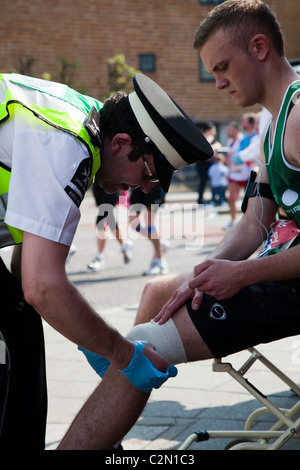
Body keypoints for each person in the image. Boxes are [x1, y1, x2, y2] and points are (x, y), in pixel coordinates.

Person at [58, 0, 300, 450]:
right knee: (159, 291)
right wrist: (207, 273)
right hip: (278, 268)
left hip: (291, 282)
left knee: (145, 344)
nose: (217, 82)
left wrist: (243, 273)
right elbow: (254, 221)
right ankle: (110, 428)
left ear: (260, 47)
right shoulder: (273, 125)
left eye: (223, 66)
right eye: (211, 71)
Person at [0, 72, 213, 448]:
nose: (147, 188)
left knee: (19, 324)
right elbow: (41, 286)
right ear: (121, 143)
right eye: (149, 173)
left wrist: (90, 337)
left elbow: (27, 272)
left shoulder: (86, 126)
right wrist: (122, 353)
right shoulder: (64, 142)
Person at [87, 182, 132, 271]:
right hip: (99, 183)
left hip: (114, 183)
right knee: (109, 217)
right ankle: (124, 245)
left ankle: (99, 257)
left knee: (101, 218)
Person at [224, 113, 258, 229]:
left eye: (244, 121)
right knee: (232, 197)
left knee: (250, 201)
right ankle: (233, 221)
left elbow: (249, 155)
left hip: (250, 173)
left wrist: (236, 157)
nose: (242, 123)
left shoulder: (255, 137)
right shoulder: (244, 138)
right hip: (236, 174)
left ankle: (248, 224)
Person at [129, 184, 168, 276]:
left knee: (149, 222)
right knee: (133, 222)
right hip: (138, 184)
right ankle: (159, 243)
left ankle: (159, 261)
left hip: (155, 186)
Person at [196, 122, 220, 205]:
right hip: (202, 164)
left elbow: (218, 146)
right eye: (213, 129)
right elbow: (204, 149)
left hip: (211, 163)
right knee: (203, 181)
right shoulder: (201, 137)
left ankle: (214, 198)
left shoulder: (213, 138)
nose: (214, 131)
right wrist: (213, 147)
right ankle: (200, 199)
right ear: (209, 129)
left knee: (214, 182)